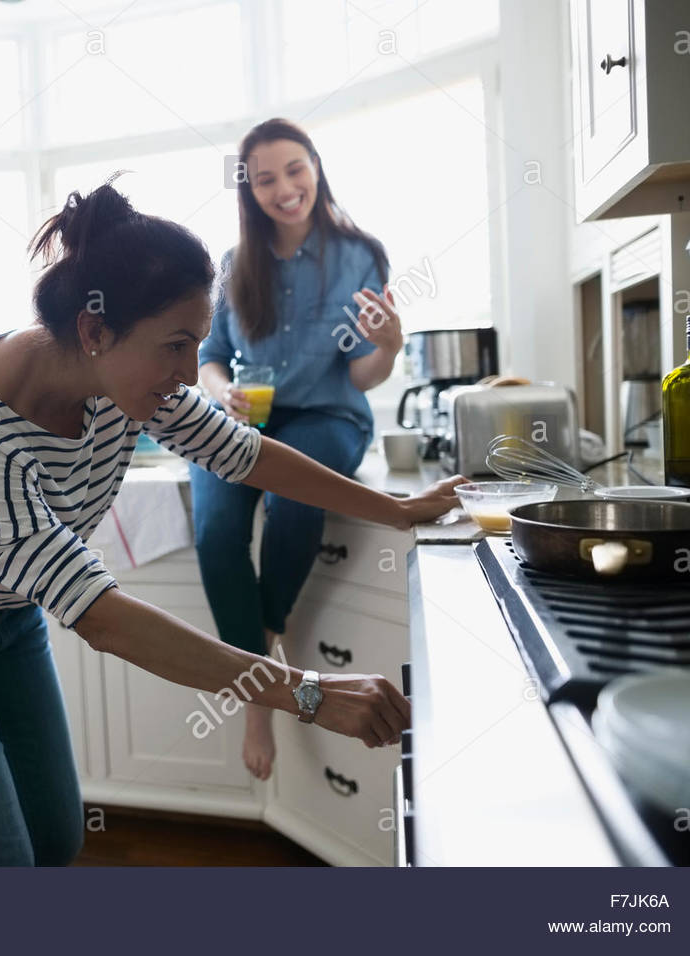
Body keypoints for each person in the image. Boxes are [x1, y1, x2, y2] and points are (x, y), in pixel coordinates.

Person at [0, 181, 461, 867]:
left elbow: (244, 452)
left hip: (7, 617)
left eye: (195, 342)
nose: (189, 370)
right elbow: (101, 618)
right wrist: (308, 694)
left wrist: (397, 509)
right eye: (176, 346)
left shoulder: (119, 376)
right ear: (95, 330)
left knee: (56, 838)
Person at [191, 118, 404, 781]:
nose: (285, 189)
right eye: (265, 179)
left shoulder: (361, 254)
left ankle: (259, 688)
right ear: (248, 191)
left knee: (293, 503)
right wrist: (221, 391)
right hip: (247, 420)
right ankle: (263, 676)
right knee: (217, 530)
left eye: (295, 169)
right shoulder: (232, 266)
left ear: (316, 165)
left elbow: (364, 372)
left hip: (326, 416)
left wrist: (391, 345)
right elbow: (209, 358)